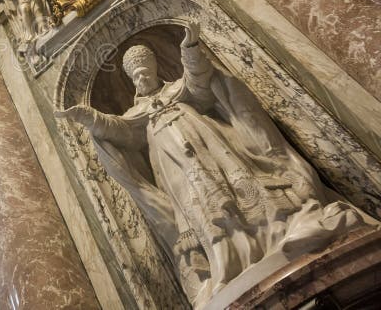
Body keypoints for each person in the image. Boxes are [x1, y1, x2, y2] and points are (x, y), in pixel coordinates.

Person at [56, 22, 368, 306]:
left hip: (215, 149)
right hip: (179, 171)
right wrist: (87, 116)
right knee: (207, 213)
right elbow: (117, 131)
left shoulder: (177, 89)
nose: (143, 75)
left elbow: (199, 83)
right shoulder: (134, 118)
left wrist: (189, 49)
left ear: (154, 69)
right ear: (132, 80)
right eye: (136, 74)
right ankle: (228, 262)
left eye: (146, 69)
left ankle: (276, 231)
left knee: (243, 194)